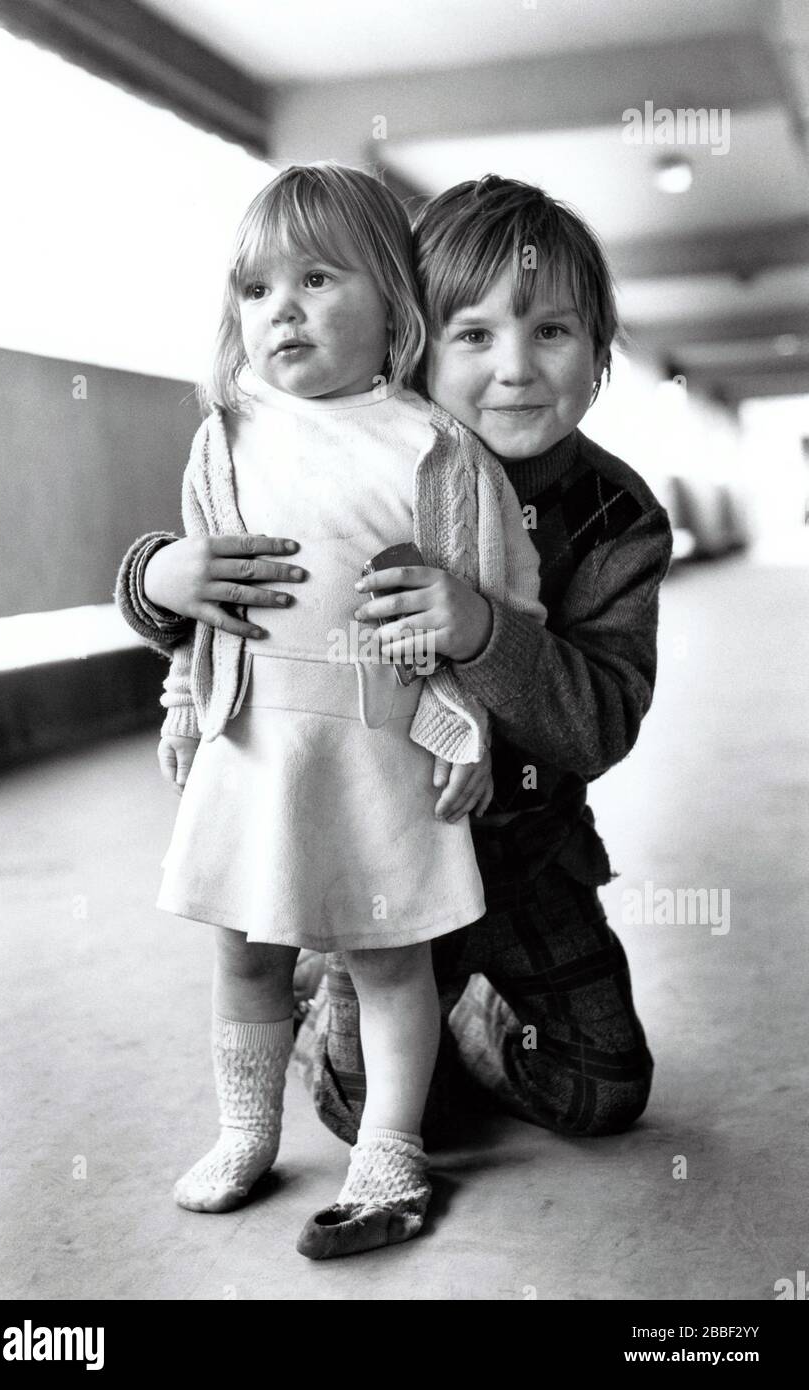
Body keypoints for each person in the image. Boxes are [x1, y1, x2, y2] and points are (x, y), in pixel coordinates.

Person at [117, 174, 672, 1190]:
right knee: (353, 1100)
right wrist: (155, 579)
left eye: (552, 332)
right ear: (417, 336)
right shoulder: (364, 445)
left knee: (602, 1088)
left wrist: (479, 629)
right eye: (473, 335)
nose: (513, 369)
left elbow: (597, 723)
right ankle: (350, 998)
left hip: (519, 848)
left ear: (599, 356)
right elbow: (259, 576)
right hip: (366, 817)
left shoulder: (609, 515)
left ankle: (463, 1017)